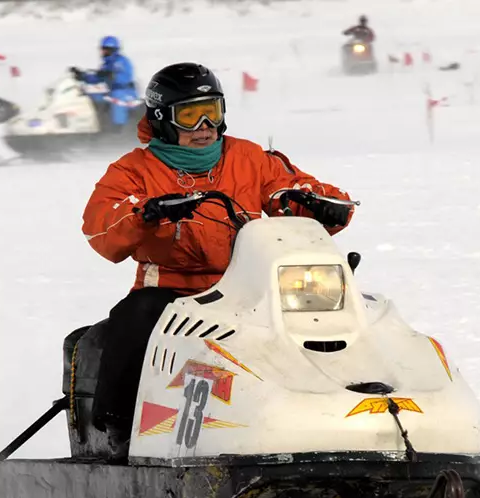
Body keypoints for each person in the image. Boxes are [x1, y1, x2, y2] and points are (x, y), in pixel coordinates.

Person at [81, 62, 355, 460]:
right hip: (174, 293)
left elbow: (293, 186)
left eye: (213, 110)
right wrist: (146, 213)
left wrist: (317, 202)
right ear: (163, 120)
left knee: (330, 310)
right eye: (190, 115)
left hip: (250, 285)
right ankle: (121, 429)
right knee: (135, 315)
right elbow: (101, 229)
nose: (205, 124)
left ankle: (341, 411)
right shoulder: (133, 170)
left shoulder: (249, 157)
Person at [70, 36, 138, 130]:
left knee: (117, 100)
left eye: (107, 50)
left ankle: (118, 129)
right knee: (92, 97)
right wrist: (83, 76)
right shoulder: (107, 64)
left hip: (125, 92)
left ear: (113, 50)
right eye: (103, 50)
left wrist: (112, 76)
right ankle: (93, 125)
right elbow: (98, 77)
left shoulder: (121, 62)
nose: (104, 52)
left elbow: (125, 77)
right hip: (111, 90)